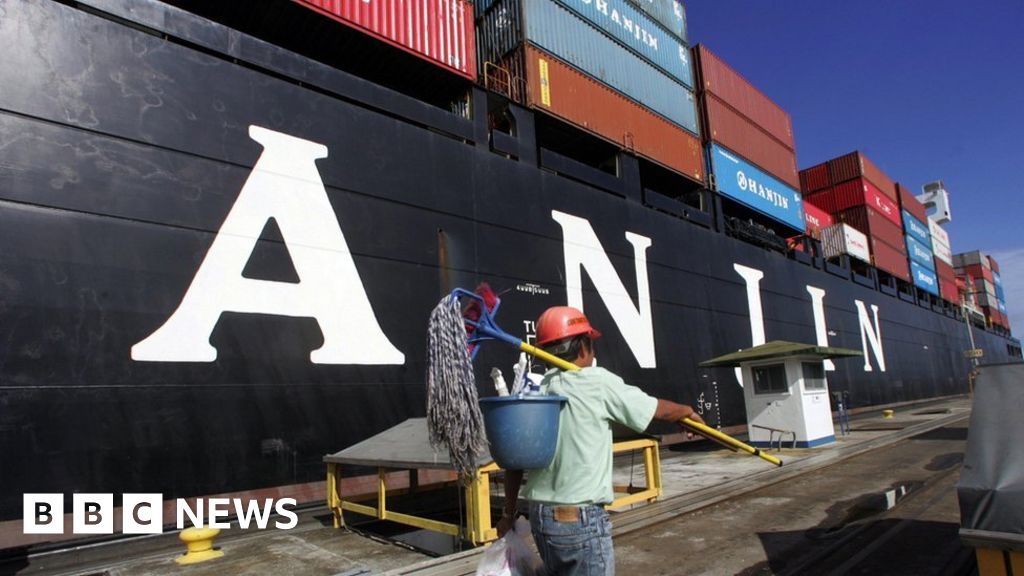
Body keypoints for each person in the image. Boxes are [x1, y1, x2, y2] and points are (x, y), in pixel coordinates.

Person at [497, 306, 705, 576]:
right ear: (583, 347)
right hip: (580, 520)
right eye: (591, 343)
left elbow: (515, 461)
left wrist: (507, 514)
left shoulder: (535, 390)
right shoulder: (598, 382)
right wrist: (686, 412)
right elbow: (656, 409)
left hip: (540, 517)